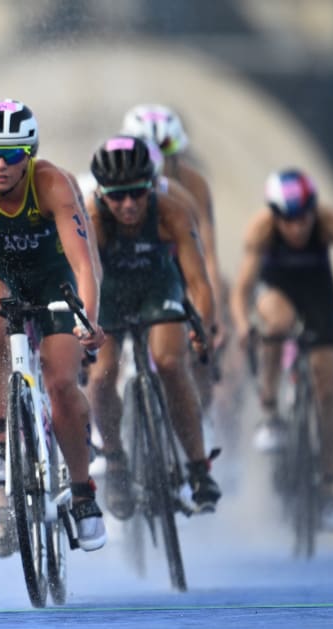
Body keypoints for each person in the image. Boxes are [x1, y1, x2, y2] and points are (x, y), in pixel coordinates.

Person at [0, 99, 107, 555]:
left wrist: (88, 318)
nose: (0, 165)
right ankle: (0, 434)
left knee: (62, 382)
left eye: (12, 155)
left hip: (55, 281)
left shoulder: (52, 184)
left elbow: (85, 265)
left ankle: (83, 494)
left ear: (31, 154)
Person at [82, 135, 221, 519]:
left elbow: (198, 281)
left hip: (158, 285)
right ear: (102, 193)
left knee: (171, 362)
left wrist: (203, 328)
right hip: (108, 291)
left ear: (151, 187)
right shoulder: (92, 218)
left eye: (137, 195)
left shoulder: (172, 212)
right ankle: (115, 459)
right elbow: (82, 279)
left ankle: (197, 467)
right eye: (118, 196)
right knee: (100, 378)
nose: (128, 205)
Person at [230, 168, 333, 532]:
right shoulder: (261, 229)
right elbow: (243, 291)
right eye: (288, 220)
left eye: (303, 218)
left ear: (314, 209)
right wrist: (244, 326)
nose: (296, 228)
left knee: (327, 393)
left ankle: (326, 485)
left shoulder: (332, 224)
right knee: (276, 323)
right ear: (276, 216)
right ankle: (270, 409)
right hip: (275, 290)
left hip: (317, 294)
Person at [122, 105, 225, 414]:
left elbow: (207, 253)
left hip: (177, 260)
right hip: (130, 262)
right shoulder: (114, 177)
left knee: (197, 338)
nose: (159, 165)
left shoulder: (192, 188)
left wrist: (211, 313)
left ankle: (198, 414)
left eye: (166, 153)